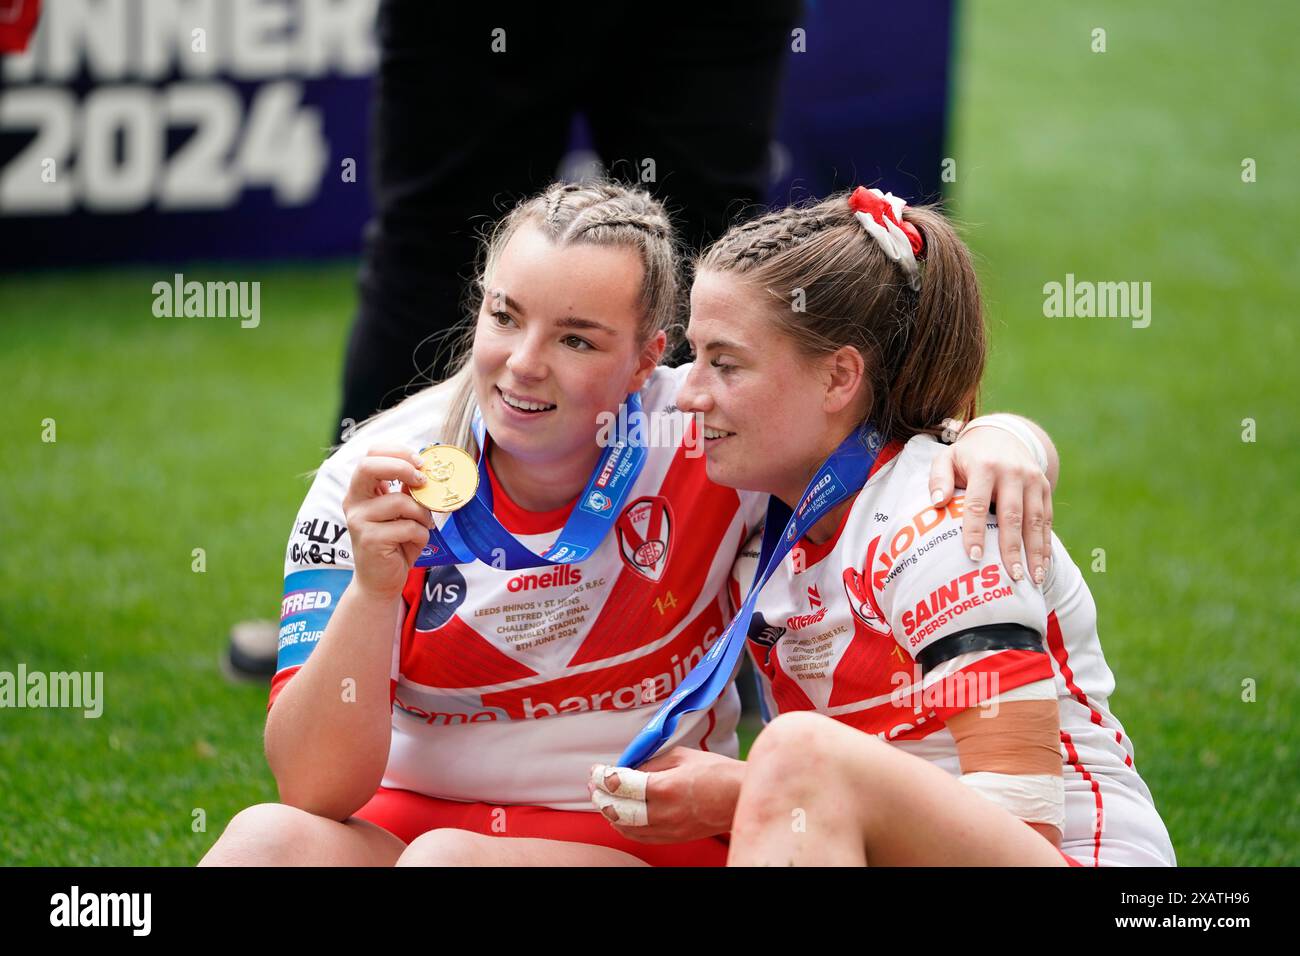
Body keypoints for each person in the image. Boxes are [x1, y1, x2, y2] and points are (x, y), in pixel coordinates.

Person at [199, 181, 1060, 867]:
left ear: (652, 356)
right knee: (265, 844)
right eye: (505, 316)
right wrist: (374, 590)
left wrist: (1003, 433)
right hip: (405, 819)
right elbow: (311, 787)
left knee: (449, 866)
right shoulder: (373, 471)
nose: (524, 365)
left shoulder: (707, 437)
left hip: (637, 833)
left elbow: (873, 441)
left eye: (578, 340)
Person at [589, 187, 1176, 866]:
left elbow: (1021, 823)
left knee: (795, 752)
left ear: (839, 377)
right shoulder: (770, 518)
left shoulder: (942, 522)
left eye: (725, 363)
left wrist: (748, 791)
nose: (688, 393)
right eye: (694, 356)